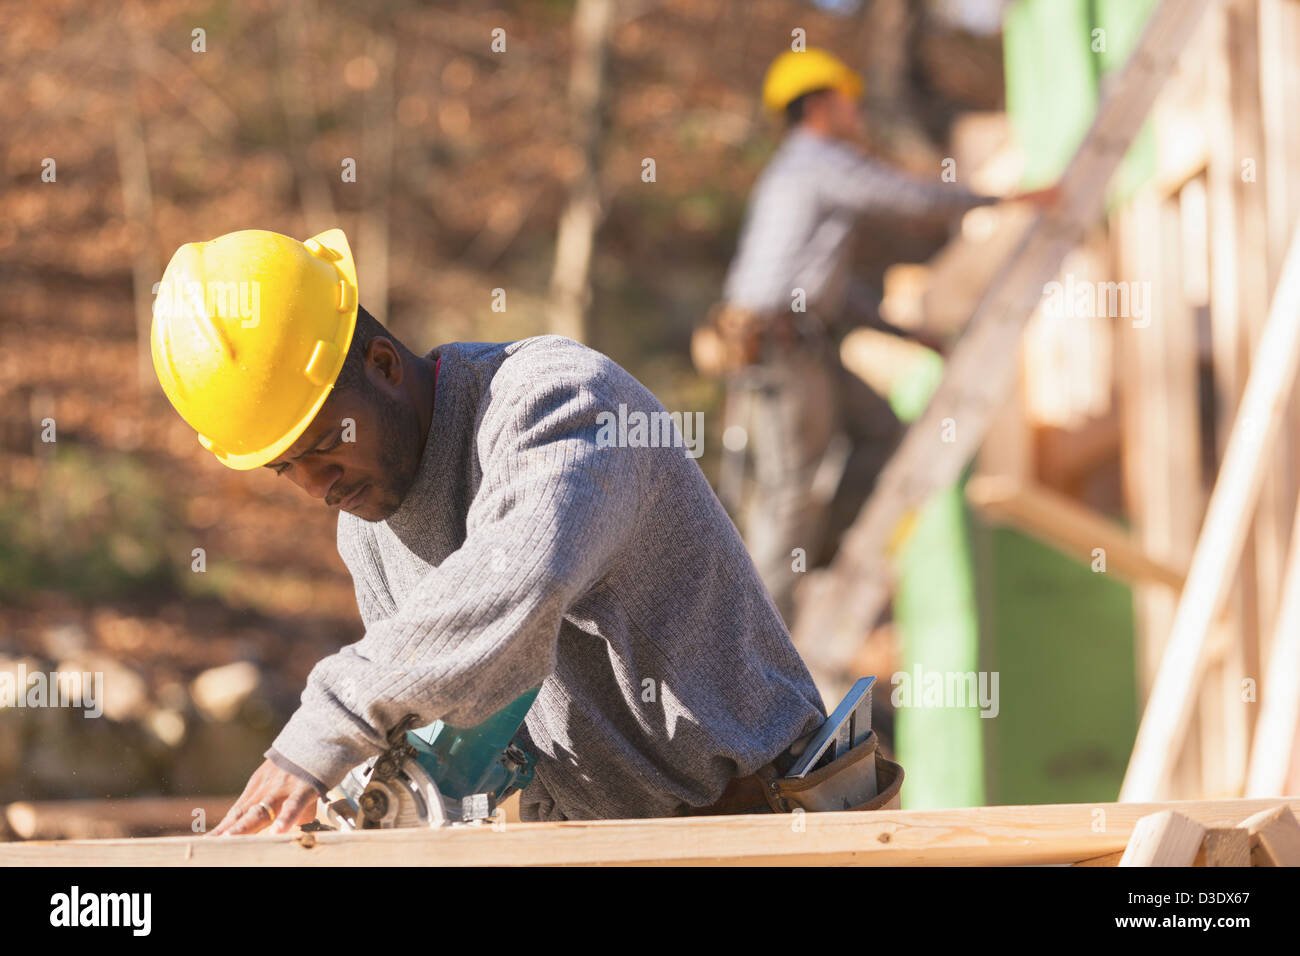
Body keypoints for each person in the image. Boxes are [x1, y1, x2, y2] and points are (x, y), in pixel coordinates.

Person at [150, 227, 867, 829]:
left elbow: (522, 578)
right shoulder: (369, 527)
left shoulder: (560, 402)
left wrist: (327, 723)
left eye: (322, 443)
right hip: (617, 844)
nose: (316, 485)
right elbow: (457, 718)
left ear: (382, 365)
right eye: (284, 468)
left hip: (768, 820)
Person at [697, 47, 1056, 624]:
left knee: (878, 431)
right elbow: (910, 198)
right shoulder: (816, 162)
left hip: (796, 346)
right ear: (819, 106)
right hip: (784, 354)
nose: (857, 112)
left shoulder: (797, 173)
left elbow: (831, 295)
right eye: (848, 100)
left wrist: (908, 334)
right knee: (789, 498)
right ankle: (758, 637)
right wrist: (1007, 199)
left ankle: (815, 564)